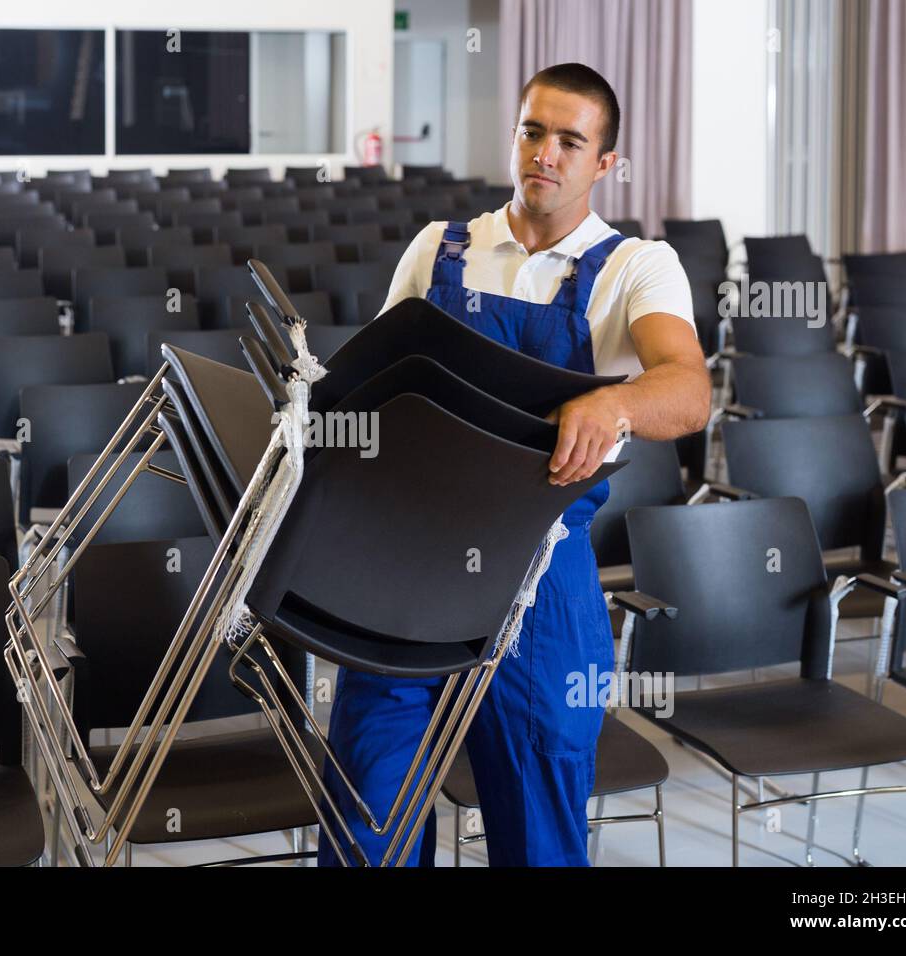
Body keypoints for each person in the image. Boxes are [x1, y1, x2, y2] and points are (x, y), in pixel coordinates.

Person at [317, 62, 712, 866]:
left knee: (538, 822)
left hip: (543, 578)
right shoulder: (439, 251)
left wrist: (617, 402)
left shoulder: (638, 266)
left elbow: (689, 390)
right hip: (410, 574)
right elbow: (370, 390)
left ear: (604, 163)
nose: (547, 154)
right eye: (534, 131)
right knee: (367, 808)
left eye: (572, 141)